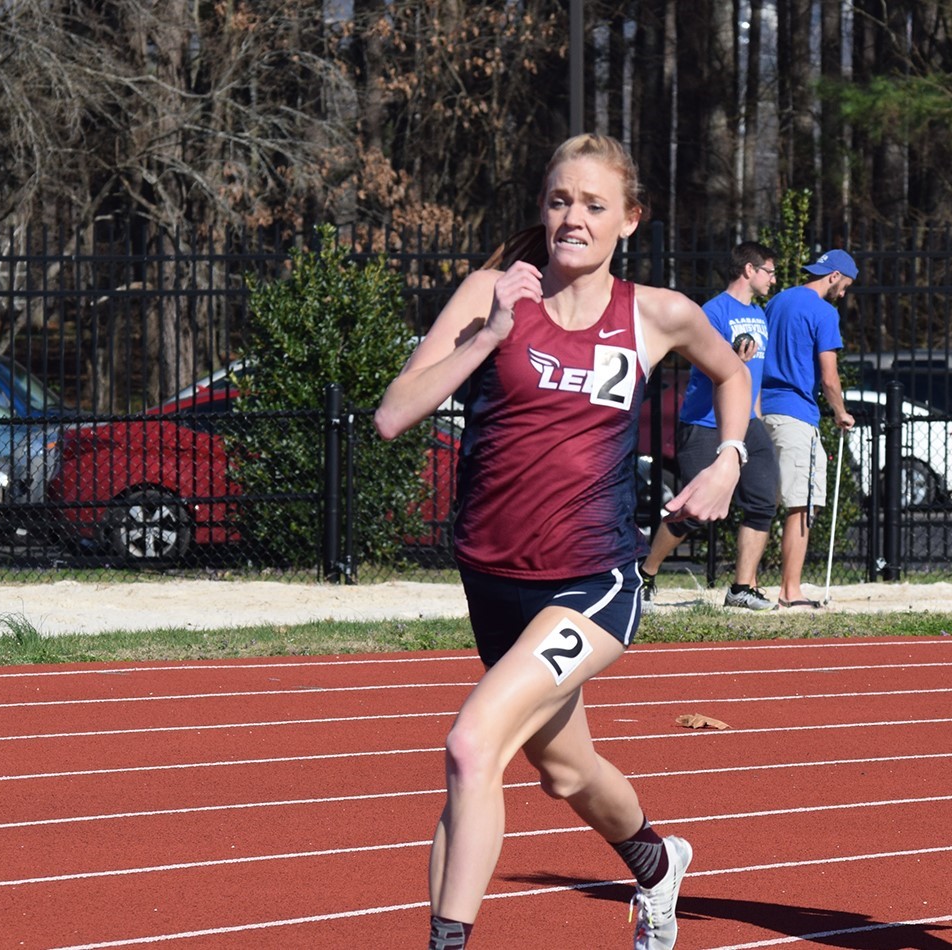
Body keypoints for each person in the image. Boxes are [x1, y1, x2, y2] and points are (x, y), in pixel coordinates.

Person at [373, 134, 750, 950]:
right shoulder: (493, 291)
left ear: (630, 220)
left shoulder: (657, 314)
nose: (571, 218)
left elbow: (730, 373)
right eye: (559, 201)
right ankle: (655, 862)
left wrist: (729, 457)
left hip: (593, 582)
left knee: (473, 745)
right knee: (565, 770)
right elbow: (393, 414)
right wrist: (491, 333)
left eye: (592, 204)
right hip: (494, 580)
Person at [639, 241, 781, 611]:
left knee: (763, 501)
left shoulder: (761, 315)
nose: (773, 278)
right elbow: (704, 365)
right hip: (704, 423)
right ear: (748, 270)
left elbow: (756, 376)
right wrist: (731, 358)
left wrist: (758, 419)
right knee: (696, 510)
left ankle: (742, 588)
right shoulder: (713, 312)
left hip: (748, 423)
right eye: (769, 270)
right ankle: (646, 574)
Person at [759, 248, 858, 608]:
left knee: (762, 503)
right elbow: (830, 377)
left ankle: (748, 583)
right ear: (833, 276)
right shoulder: (823, 312)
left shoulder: (778, 302)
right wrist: (840, 412)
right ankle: (790, 591)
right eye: (844, 285)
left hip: (761, 410)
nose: (843, 294)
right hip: (796, 414)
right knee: (800, 505)